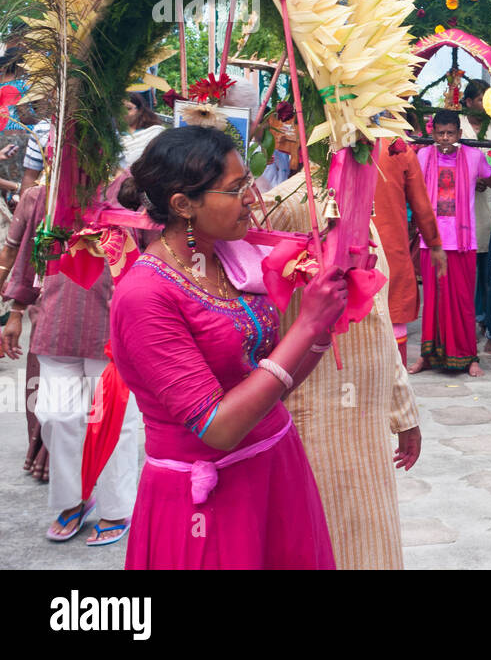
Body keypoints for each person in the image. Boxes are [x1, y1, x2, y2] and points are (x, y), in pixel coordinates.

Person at [111, 125, 348, 569]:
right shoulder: (145, 296)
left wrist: (319, 330)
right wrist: (306, 324)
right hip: (209, 493)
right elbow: (218, 427)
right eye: (236, 188)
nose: (252, 198)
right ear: (183, 205)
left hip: (275, 465)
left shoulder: (229, 258)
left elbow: (268, 384)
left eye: (248, 183)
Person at [261, 169, 423, 569]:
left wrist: (404, 413)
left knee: (372, 536)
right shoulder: (282, 207)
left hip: (367, 419)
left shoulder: (359, 202)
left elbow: (380, 318)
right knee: (323, 536)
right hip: (313, 412)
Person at [2, 182, 141, 545]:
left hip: (112, 326)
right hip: (56, 322)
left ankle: (116, 509)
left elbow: (152, 249)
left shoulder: (130, 187)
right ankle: (74, 501)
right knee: (57, 417)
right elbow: (30, 256)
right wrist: (15, 312)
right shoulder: (46, 195)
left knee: (113, 425)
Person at [410, 109, 491, 376]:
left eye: (450, 133)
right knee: (431, 302)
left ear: (459, 133)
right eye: (440, 133)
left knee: (464, 302)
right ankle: (427, 357)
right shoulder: (423, 156)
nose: (445, 139)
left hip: (463, 242)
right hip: (432, 244)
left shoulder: (475, 156)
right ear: (432, 134)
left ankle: (470, 358)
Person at [371, 137, 444, 365]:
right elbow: (421, 204)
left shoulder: (338, 141)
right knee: (395, 314)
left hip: (347, 247)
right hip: (390, 247)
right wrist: (434, 243)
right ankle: (395, 384)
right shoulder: (397, 148)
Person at [0, 186, 46, 481]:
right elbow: (15, 251)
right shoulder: (38, 197)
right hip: (47, 309)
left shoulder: (118, 193)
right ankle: (44, 450)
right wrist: (14, 313)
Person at [460, 79, 491, 344]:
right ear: (468, 102)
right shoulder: (458, 128)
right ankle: (474, 315)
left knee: (489, 265)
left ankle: (489, 320)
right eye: (480, 100)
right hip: (467, 203)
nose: (484, 106)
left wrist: (489, 177)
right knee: (471, 266)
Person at [120, 91, 165, 170]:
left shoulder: (154, 132)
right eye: (120, 109)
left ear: (140, 110)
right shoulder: (114, 134)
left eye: (128, 108)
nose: (124, 113)